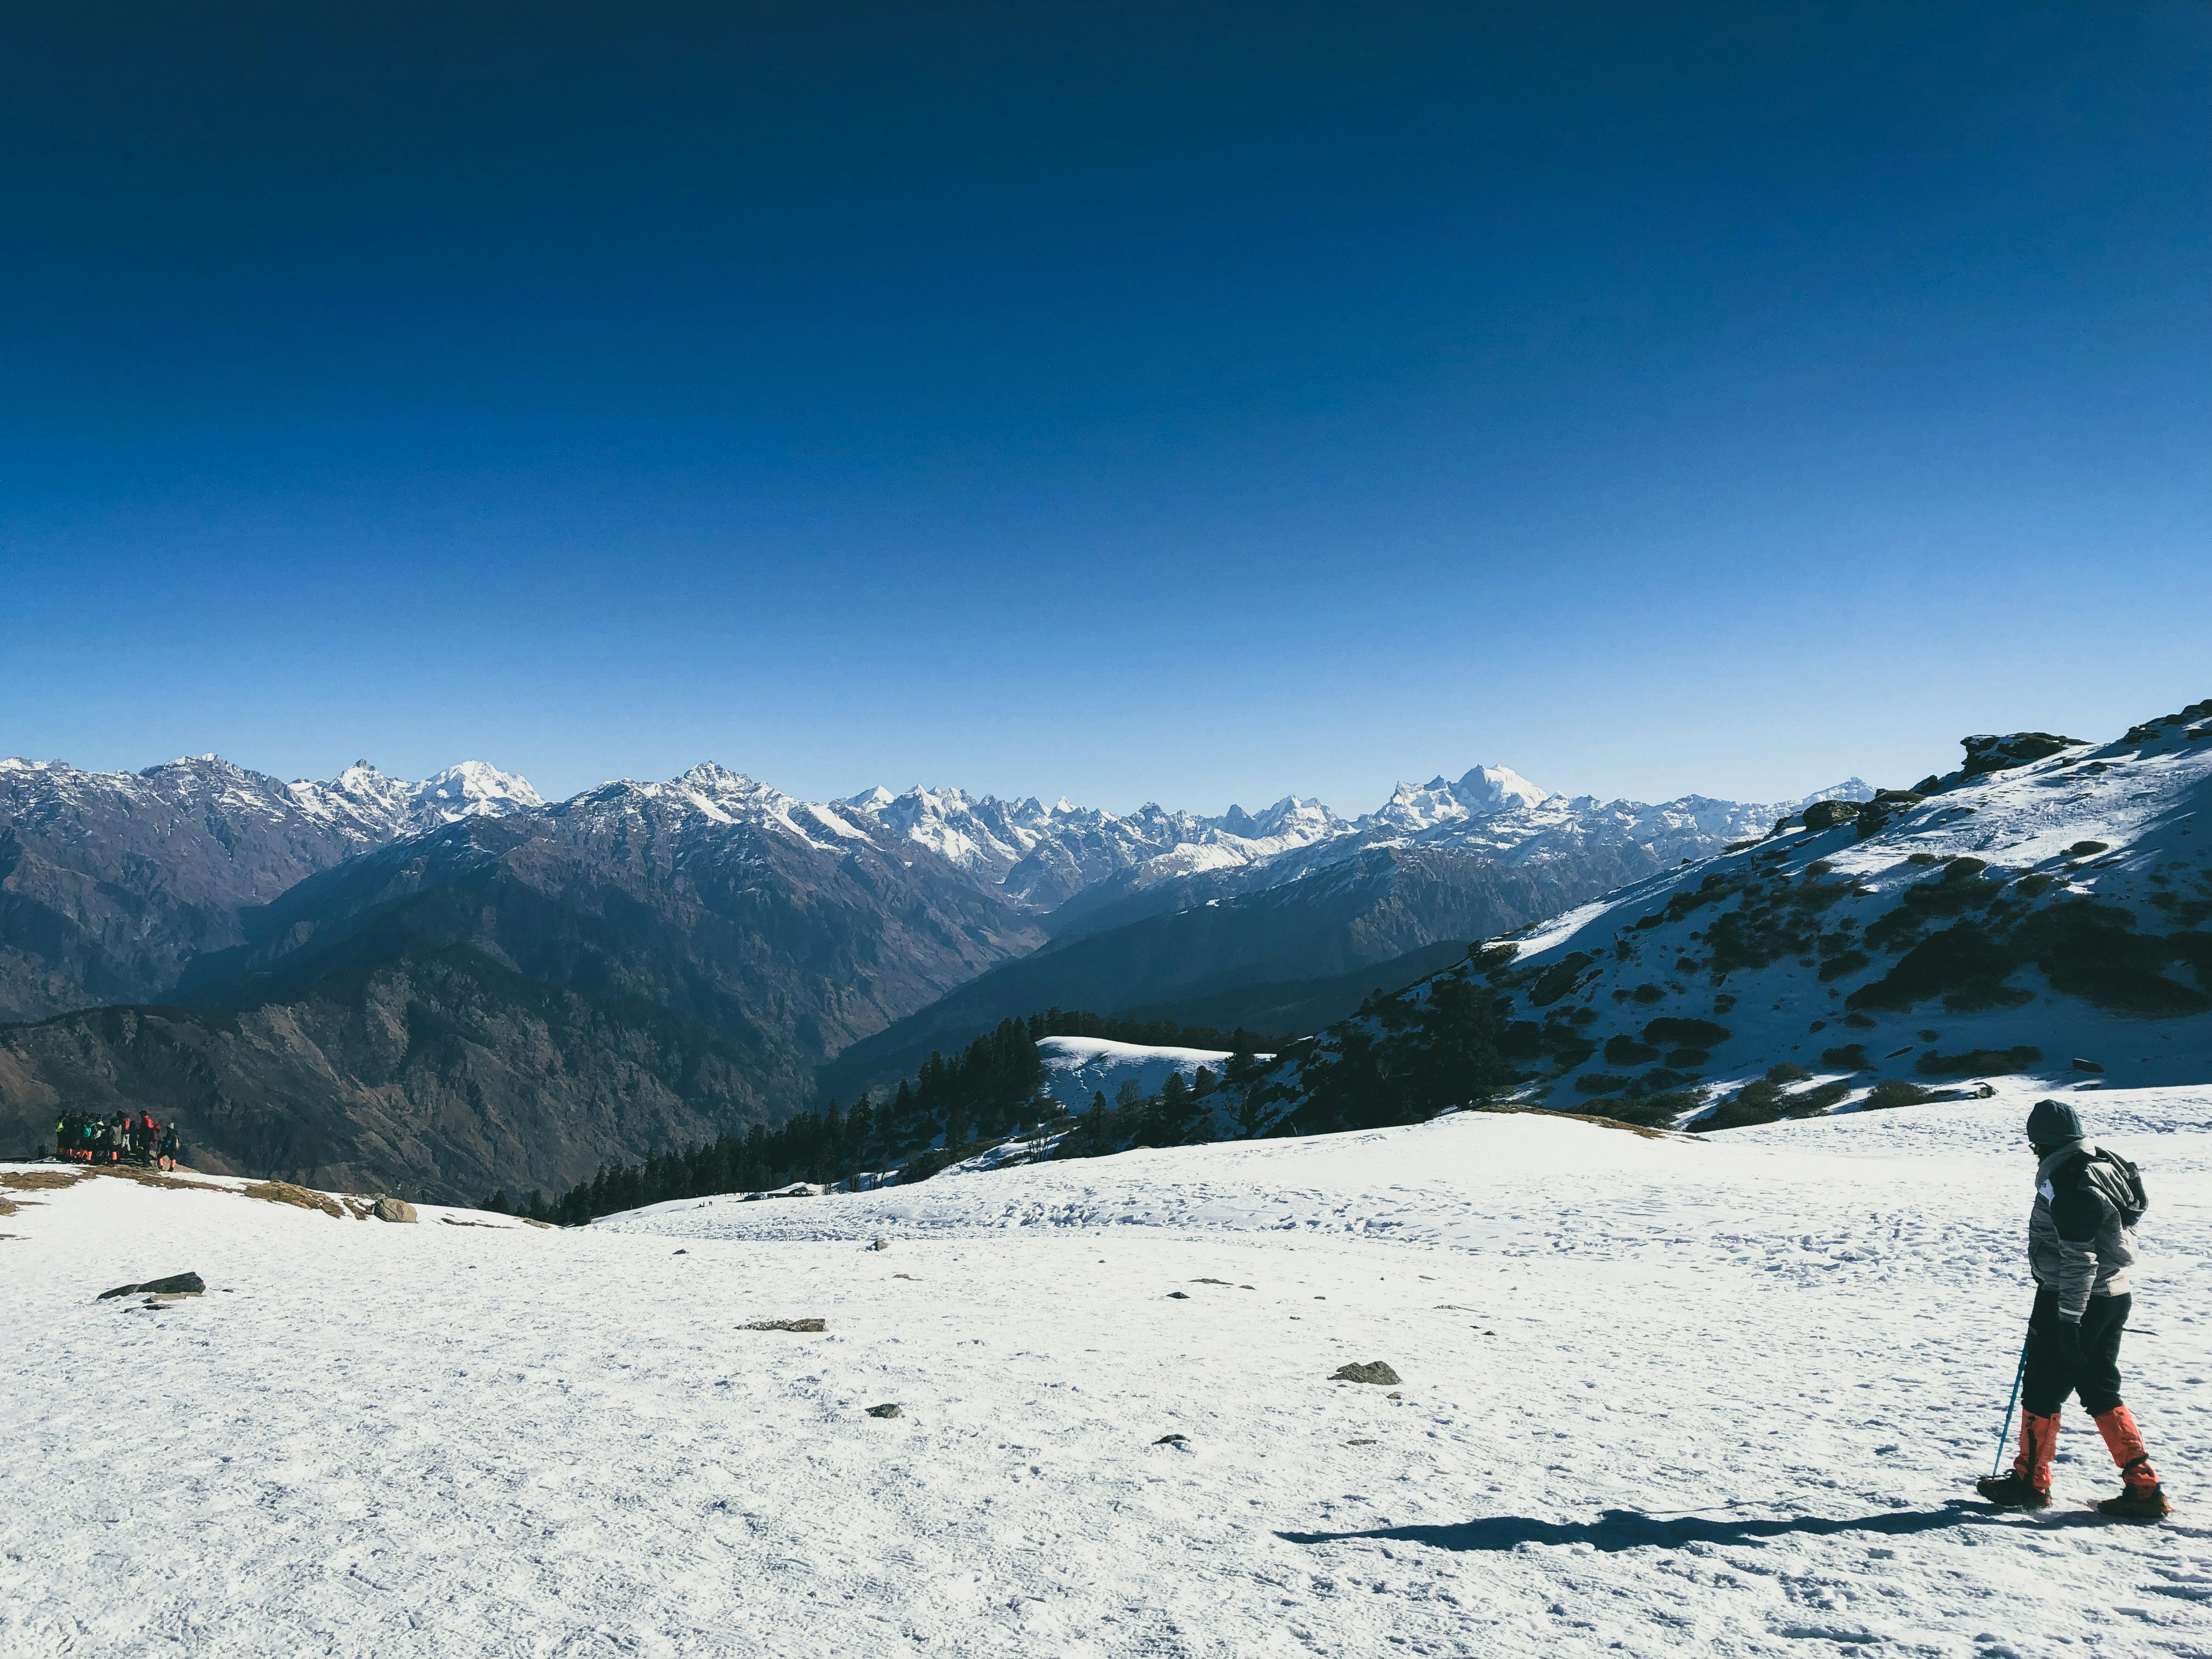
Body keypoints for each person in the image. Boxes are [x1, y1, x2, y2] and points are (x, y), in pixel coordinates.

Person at [1978, 1098, 2170, 1520]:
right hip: (2113, 1295)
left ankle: (2031, 1483)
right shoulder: (2104, 1163)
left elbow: (2080, 1260)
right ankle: (2143, 1486)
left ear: (2042, 1144)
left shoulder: (2071, 1181)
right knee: (2100, 1386)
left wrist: (2066, 1320)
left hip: (2077, 1300)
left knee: (2043, 1389)